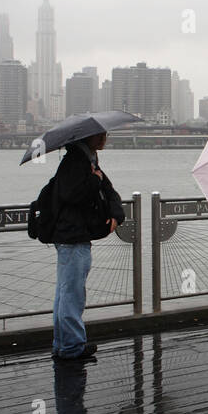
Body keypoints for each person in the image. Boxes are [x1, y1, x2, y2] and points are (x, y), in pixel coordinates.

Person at [51, 131, 125, 362]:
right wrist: (94, 179)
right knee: (71, 293)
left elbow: (109, 190)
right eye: (100, 135)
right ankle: (71, 346)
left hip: (75, 235)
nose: (105, 138)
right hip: (71, 236)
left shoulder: (89, 160)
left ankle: (64, 344)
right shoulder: (75, 162)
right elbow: (72, 194)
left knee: (67, 292)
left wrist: (116, 213)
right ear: (88, 138)